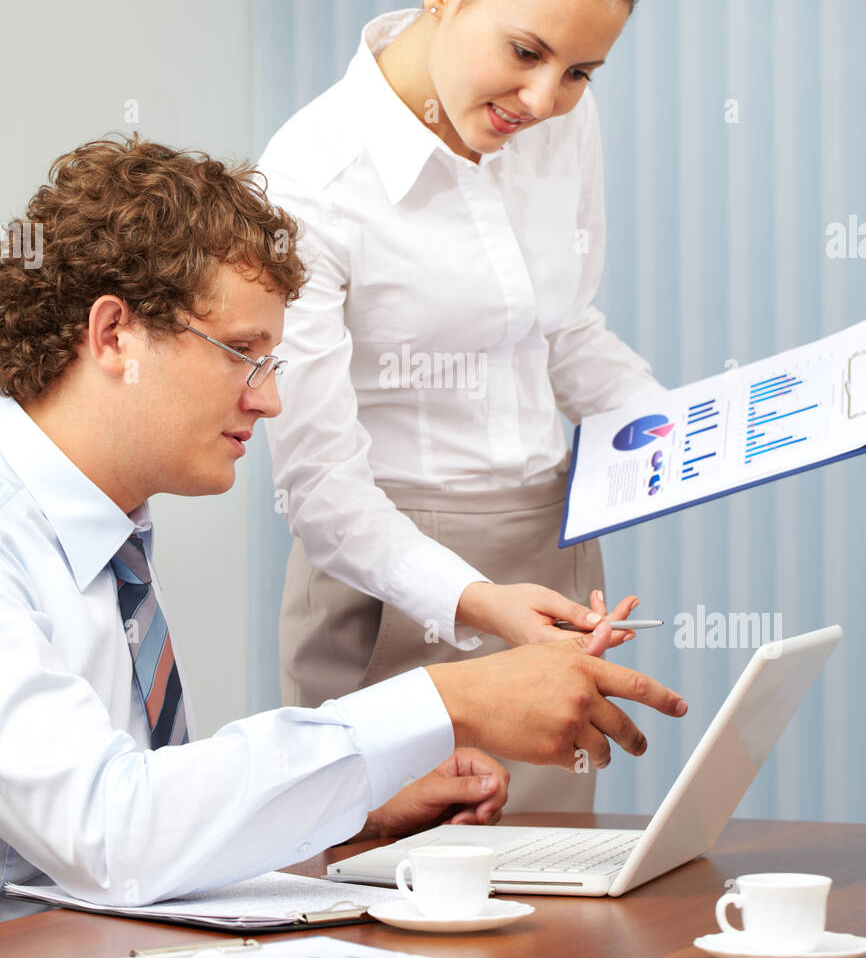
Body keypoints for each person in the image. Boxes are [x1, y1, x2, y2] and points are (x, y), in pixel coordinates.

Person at [0, 136, 686, 912]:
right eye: (241, 353)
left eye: (273, 363)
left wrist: (349, 810)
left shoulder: (109, 537)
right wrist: (443, 700)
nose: (269, 400)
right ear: (114, 334)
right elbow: (112, 834)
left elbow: (127, 832)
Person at [259, 0, 669, 810]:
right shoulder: (311, 179)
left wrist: (678, 431)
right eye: (526, 54)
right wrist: (479, 602)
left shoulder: (564, 122)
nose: (544, 101)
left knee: (561, 906)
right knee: (384, 905)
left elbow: (561, 328)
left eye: (580, 71)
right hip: (388, 572)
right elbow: (320, 489)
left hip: (554, 553)